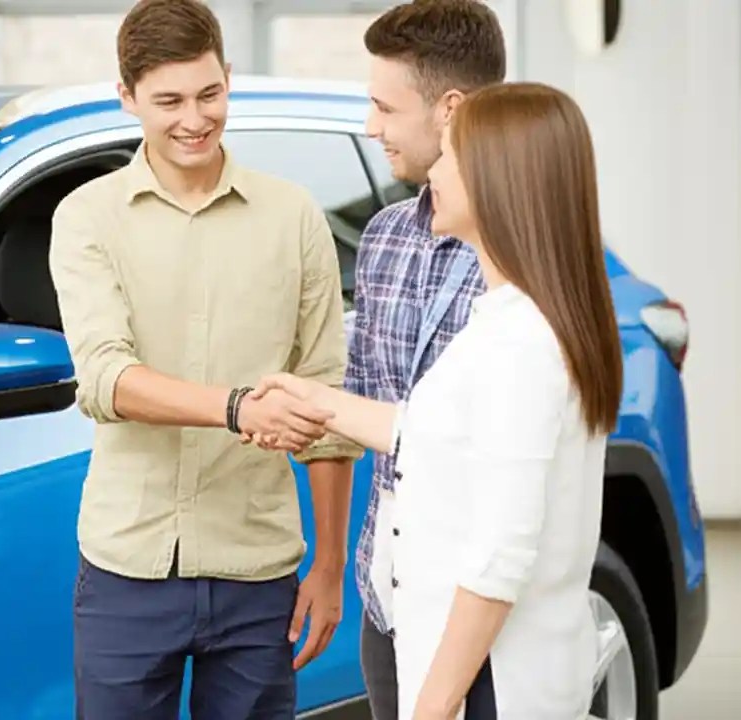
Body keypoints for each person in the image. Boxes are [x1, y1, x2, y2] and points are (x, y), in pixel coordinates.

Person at [251, 81, 624, 719]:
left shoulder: (522, 343)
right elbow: (435, 434)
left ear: (499, 182)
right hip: (482, 676)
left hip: (490, 687)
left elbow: (499, 557)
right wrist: (315, 399)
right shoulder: (510, 320)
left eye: (450, 157)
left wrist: (432, 707)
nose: (436, 173)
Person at [47, 0, 364, 717]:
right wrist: (236, 407)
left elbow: (326, 400)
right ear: (126, 97)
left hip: (259, 571)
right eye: (169, 101)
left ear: (229, 78)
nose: (194, 119)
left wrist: (330, 566)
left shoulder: (294, 217)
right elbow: (103, 378)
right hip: (128, 568)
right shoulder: (88, 218)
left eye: (209, 94)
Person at [283, 3, 507, 718]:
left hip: (485, 607)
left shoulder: (525, 260)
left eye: (385, 106)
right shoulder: (383, 237)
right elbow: (365, 411)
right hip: (390, 598)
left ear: (450, 110)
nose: (371, 127)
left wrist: (313, 402)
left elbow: (485, 448)